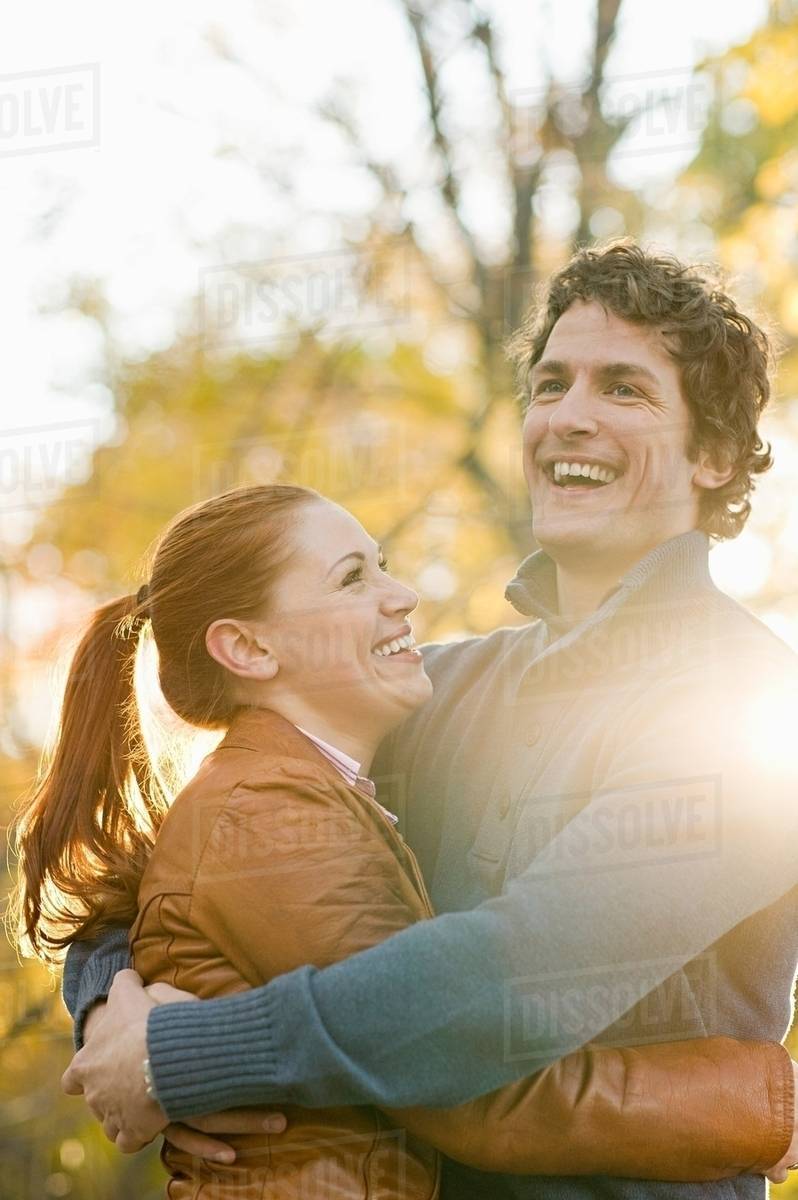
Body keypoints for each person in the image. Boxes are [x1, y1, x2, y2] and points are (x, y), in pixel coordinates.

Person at [49, 243, 798, 1198]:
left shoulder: (752, 710)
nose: (569, 415)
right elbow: (183, 864)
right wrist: (114, 1010)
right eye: (550, 383)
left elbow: (504, 989)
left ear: (715, 454)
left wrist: (187, 1053)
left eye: (625, 390)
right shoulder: (438, 690)